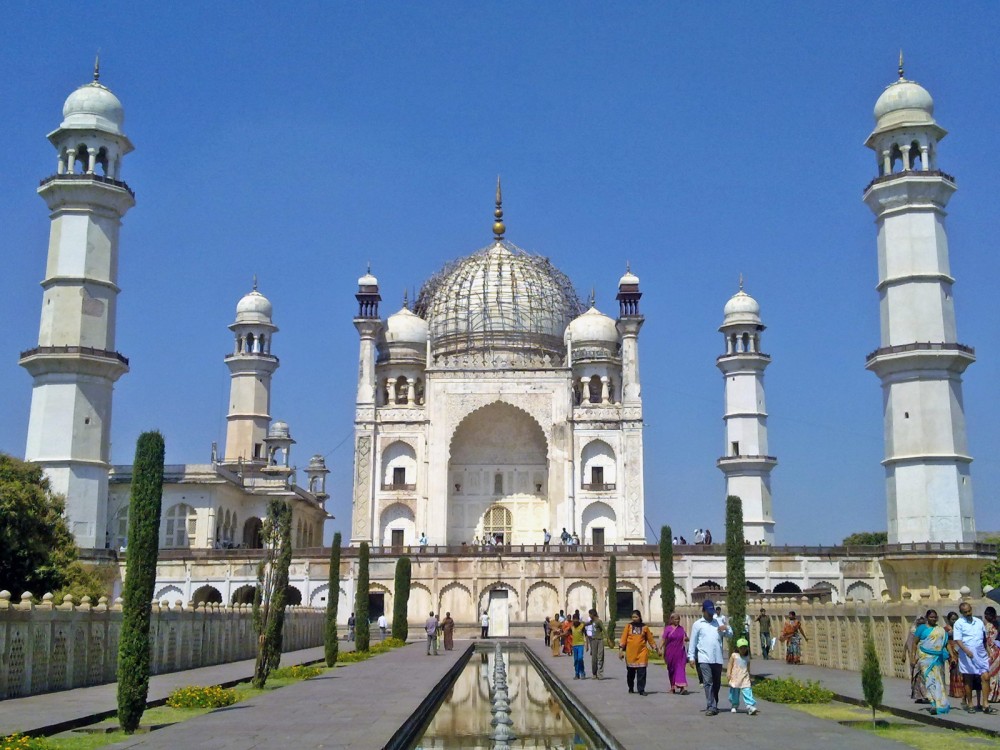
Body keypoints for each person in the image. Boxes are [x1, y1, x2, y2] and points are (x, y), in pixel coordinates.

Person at [688, 599, 732, 715]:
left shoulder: (718, 622)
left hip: (717, 658)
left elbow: (730, 635)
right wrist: (691, 657)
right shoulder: (698, 625)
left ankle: (714, 703)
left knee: (716, 683)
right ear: (703, 611)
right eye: (708, 612)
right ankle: (711, 706)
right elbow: (693, 642)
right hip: (704, 658)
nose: (711, 614)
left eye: (712, 611)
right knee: (708, 682)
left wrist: (726, 628)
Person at [953, 601, 992, 713]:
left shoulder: (978, 622)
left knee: (986, 676)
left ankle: (985, 703)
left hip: (980, 653)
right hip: (967, 654)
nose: (968, 613)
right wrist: (966, 650)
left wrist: (988, 650)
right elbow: (958, 639)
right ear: (961, 612)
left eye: (969, 611)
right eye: (965, 612)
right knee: (968, 678)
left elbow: (984, 638)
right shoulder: (959, 623)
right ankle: (970, 703)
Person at [914, 609, 950, 715]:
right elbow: (914, 643)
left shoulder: (940, 630)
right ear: (927, 618)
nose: (933, 619)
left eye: (935, 617)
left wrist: (952, 655)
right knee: (929, 680)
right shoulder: (921, 628)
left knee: (939, 680)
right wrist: (912, 657)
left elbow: (945, 643)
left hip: (937, 659)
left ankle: (941, 703)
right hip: (925, 658)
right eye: (931, 617)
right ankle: (933, 703)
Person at [619, 609, 657, 696]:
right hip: (631, 653)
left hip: (642, 653)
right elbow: (623, 638)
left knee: (642, 672)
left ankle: (641, 689)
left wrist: (656, 648)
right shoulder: (628, 626)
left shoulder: (645, 627)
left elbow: (650, 639)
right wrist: (621, 650)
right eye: (633, 617)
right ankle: (631, 687)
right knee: (630, 673)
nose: (634, 619)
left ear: (640, 617)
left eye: (636, 617)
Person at [727, 638, 759, 715]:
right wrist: (728, 673)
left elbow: (748, 668)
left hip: (745, 677)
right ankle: (734, 705)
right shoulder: (734, 655)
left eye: (745, 647)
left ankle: (749, 706)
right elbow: (730, 664)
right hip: (735, 677)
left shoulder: (747, 657)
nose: (743, 649)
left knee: (747, 690)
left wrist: (750, 676)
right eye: (741, 648)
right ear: (738, 648)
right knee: (734, 692)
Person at [661, 612, 689, 694]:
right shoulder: (668, 629)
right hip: (670, 652)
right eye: (676, 619)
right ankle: (672, 687)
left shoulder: (681, 629)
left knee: (680, 668)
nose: (677, 621)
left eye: (678, 619)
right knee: (671, 669)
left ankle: (682, 687)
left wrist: (687, 639)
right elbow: (663, 639)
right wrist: (660, 648)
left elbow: (685, 637)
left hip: (680, 653)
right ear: (672, 620)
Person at [906, 616, 930, 703]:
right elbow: (910, 644)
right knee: (916, 677)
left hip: (925, 656)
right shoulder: (913, 631)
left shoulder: (927, 631)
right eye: (919, 623)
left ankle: (927, 696)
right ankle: (919, 696)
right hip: (916, 656)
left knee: (925, 676)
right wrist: (913, 657)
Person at [945, 611, 966, 707]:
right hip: (951, 650)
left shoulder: (960, 628)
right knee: (954, 670)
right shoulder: (946, 629)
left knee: (962, 671)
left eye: (956, 619)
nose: (954, 621)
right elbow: (945, 641)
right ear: (949, 620)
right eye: (952, 619)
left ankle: (961, 691)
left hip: (960, 650)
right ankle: (955, 691)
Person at [985, 607, 1000, 704]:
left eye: (990, 615)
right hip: (988, 651)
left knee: (997, 674)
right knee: (990, 673)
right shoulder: (985, 626)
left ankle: (996, 696)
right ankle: (989, 695)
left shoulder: (997, 624)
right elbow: (985, 640)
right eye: (987, 614)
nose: (988, 616)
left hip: (997, 650)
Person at [587, 608, 606, 679]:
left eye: (590, 614)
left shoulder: (598, 621)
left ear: (593, 614)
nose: (589, 615)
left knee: (600, 657)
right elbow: (586, 624)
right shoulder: (592, 621)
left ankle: (600, 673)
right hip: (593, 641)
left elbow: (604, 630)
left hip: (599, 640)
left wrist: (608, 639)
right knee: (594, 658)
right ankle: (594, 673)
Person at [570, 613, 587, 679]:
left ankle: (582, 672)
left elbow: (586, 635)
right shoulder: (571, 627)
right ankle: (577, 674)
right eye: (574, 619)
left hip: (581, 645)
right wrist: (558, 635)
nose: (575, 621)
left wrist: (587, 645)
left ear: (578, 619)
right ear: (573, 620)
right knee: (576, 660)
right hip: (574, 645)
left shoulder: (582, 626)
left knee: (580, 658)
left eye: (577, 619)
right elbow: (567, 633)